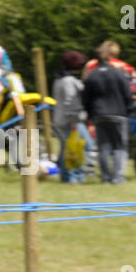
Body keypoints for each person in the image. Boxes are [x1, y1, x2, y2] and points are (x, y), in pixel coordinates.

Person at [81, 55, 133, 183]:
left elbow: (86, 98)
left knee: (103, 147)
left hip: (99, 115)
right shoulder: (118, 73)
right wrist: (129, 110)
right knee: (119, 147)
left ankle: (105, 177)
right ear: (109, 61)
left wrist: (89, 115)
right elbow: (127, 94)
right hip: (119, 114)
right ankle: (118, 177)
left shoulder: (92, 75)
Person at [52, 50, 89, 183]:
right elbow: (69, 102)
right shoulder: (68, 80)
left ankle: (66, 177)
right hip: (70, 120)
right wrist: (75, 119)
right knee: (82, 146)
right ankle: (74, 177)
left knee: (66, 148)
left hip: (62, 119)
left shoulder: (61, 78)